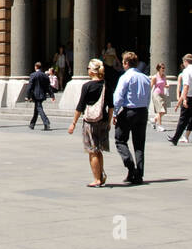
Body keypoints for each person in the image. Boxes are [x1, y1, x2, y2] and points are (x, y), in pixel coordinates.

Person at [68, 58, 111, 187]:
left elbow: (80, 107)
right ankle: (101, 176)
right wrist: (109, 122)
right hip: (102, 120)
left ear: (92, 71)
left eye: (88, 68)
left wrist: (73, 123)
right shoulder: (105, 85)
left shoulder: (87, 86)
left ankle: (96, 179)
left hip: (90, 121)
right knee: (99, 150)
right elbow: (111, 106)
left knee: (92, 151)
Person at [111, 51, 151, 184]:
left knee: (120, 140)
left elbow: (118, 97)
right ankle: (138, 175)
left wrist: (115, 113)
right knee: (139, 145)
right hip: (142, 111)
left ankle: (130, 166)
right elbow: (148, 97)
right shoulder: (145, 78)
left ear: (126, 63)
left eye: (123, 62)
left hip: (129, 111)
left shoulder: (126, 77)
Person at [27, 61, 54, 131]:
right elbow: (48, 86)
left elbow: (30, 86)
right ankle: (32, 124)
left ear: (35, 67)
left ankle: (46, 122)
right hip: (42, 95)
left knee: (39, 108)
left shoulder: (33, 75)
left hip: (36, 95)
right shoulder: (45, 75)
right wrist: (52, 95)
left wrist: (28, 96)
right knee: (37, 109)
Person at [149, 63, 169, 132]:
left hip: (162, 94)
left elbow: (165, 84)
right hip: (156, 94)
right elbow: (151, 86)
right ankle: (159, 126)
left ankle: (153, 120)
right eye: (162, 68)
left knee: (164, 111)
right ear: (159, 68)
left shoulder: (164, 76)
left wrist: (166, 86)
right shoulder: (155, 77)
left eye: (164, 68)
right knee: (160, 111)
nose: (163, 69)